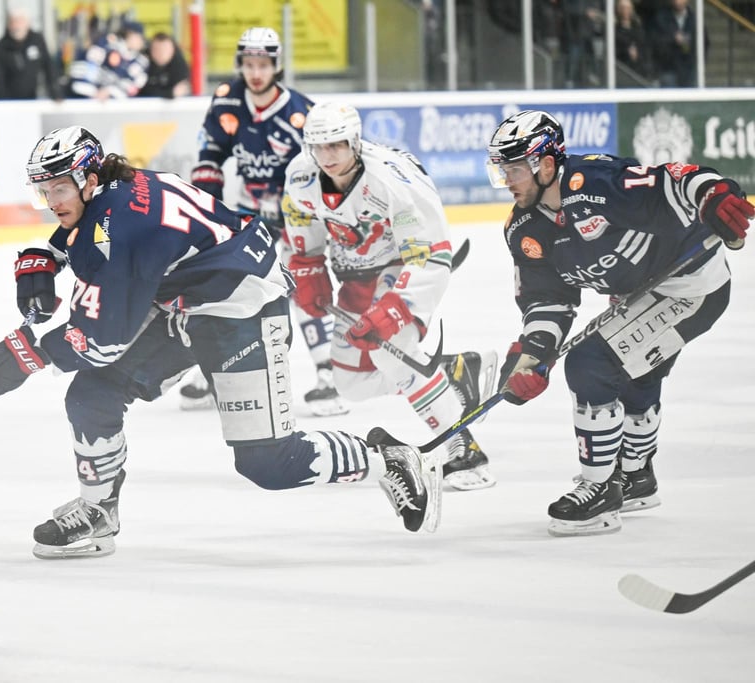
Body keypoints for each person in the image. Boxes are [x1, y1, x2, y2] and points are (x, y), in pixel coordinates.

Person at [0, 126, 444, 559]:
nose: (51, 200)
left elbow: (103, 338)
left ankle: (388, 459)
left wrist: (25, 354)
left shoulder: (123, 227)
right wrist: (43, 256)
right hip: (188, 302)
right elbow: (90, 239)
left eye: (59, 188)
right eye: (44, 190)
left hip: (242, 308)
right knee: (93, 395)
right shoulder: (114, 192)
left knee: (270, 463)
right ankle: (98, 513)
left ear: (89, 178)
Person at [486, 109, 753, 536]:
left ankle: (601, 488)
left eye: (515, 169)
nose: (507, 180)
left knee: (591, 364)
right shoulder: (524, 230)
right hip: (640, 291)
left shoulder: (593, 183)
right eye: (502, 170)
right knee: (634, 370)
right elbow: (548, 301)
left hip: (691, 284)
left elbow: (676, 179)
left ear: (548, 164)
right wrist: (533, 354)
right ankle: (636, 477)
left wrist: (715, 195)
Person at [283, 102, 499, 492]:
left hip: (404, 265)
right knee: (352, 383)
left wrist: (398, 309)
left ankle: (461, 446)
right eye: (319, 146)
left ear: (354, 141)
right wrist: (308, 269)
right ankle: (452, 373)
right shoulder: (300, 177)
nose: (328, 156)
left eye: (337, 145)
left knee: (388, 348)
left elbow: (430, 253)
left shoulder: (390, 181)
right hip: (354, 274)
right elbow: (301, 226)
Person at [182, 26, 345, 417]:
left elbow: (324, 169)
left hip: (296, 218)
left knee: (303, 289)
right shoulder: (227, 103)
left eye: (264, 64)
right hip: (249, 215)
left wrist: (301, 209)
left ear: (277, 66)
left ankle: (327, 376)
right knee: (227, 288)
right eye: (249, 64)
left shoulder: (300, 114)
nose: (255, 72)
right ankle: (213, 372)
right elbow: (211, 153)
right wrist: (208, 205)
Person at [66, 19, 148, 100]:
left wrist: (109, 91)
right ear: (129, 34)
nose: (141, 41)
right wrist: (93, 91)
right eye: (139, 37)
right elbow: (87, 66)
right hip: (86, 95)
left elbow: (133, 87)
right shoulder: (107, 45)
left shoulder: (141, 62)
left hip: (114, 103)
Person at [0, 8, 60, 101]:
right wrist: (1, 103)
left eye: (20, 21)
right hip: (9, 102)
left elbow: (49, 68)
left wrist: (56, 93)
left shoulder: (37, 41)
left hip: (31, 99)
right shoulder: (1, 47)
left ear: (27, 23)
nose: (16, 26)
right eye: (13, 22)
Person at [651, 0, 705, 87]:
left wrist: (695, 62)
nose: (678, 2)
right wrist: (673, 39)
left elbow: (704, 42)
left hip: (688, 70)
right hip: (669, 69)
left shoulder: (694, 19)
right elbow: (656, 42)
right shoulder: (662, 18)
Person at [137, 31, 189, 98]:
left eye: (165, 49)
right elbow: (142, 91)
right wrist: (170, 93)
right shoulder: (142, 62)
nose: (162, 54)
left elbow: (181, 89)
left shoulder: (179, 63)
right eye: (157, 50)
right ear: (150, 50)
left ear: (173, 50)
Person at [614, 0, 653, 84]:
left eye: (628, 8)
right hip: (622, 73)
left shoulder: (639, 30)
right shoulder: (614, 31)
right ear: (618, 10)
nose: (625, 11)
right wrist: (626, 52)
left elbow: (645, 50)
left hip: (640, 73)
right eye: (622, 8)